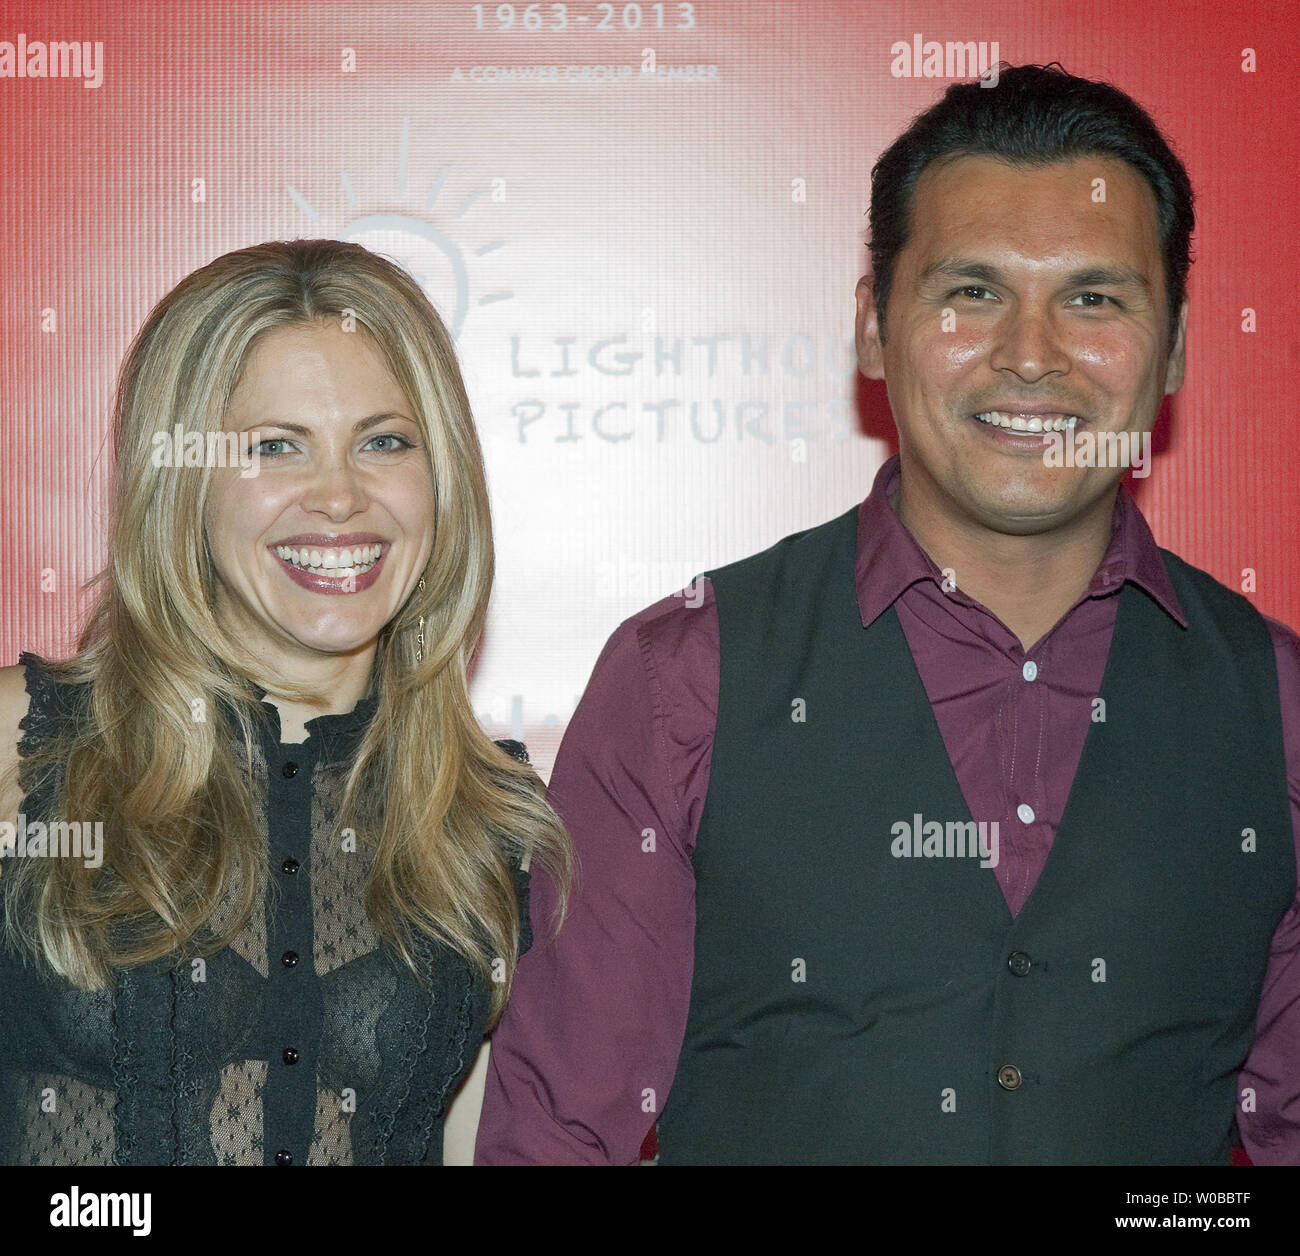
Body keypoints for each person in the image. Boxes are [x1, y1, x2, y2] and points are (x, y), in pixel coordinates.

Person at [475, 64, 1300, 1165]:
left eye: (1093, 297)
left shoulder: (1278, 703)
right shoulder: (686, 674)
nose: (1030, 353)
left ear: (1178, 346)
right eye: (971, 291)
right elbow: (554, 1135)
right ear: (872, 327)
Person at [0, 238, 571, 1166]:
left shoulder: (488, 826)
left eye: (384, 442)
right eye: (275, 448)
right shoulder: (21, 750)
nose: (340, 497)